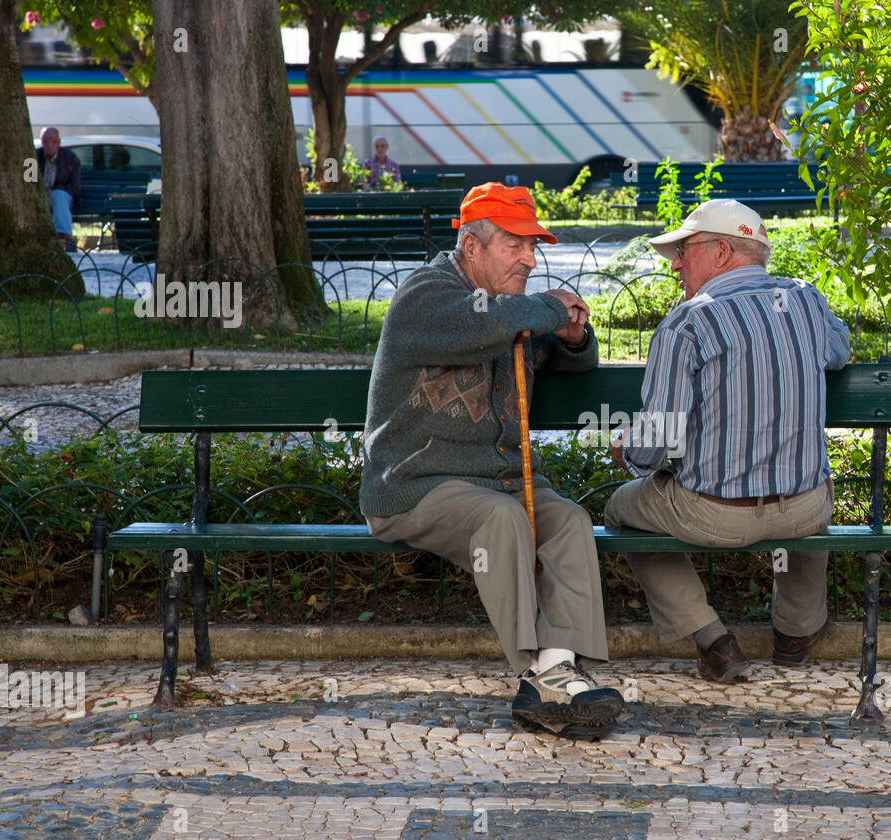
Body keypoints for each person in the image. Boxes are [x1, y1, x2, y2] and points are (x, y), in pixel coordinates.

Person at [361, 182, 625, 737]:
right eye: (515, 245)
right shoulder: (426, 295)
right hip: (415, 484)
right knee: (501, 519)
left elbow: (571, 358)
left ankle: (557, 667)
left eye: (534, 246)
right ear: (473, 245)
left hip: (498, 480)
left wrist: (574, 336)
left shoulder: (513, 309)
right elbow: (483, 323)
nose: (530, 258)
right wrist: (549, 307)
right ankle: (534, 674)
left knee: (571, 521)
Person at [603, 199, 853, 682]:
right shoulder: (804, 300)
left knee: (619, 511)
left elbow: (660, 440)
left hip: (713, 516)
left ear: (720, 252)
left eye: (683, 250)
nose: (674, 263)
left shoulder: (687, 323)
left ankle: (713, 640)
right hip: (804, 510)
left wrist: (626, 450)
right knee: (810, 492)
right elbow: (840, 351)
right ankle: (796, 635)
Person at [35, 127, 80, 251]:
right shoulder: (32, 158)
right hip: (39, 198)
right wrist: (41, 191)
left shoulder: (70, 158)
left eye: (53, 142)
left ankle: (64, 236)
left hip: (64, 197)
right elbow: (28, 184)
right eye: (46, 141)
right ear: (41, 141)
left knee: (58, 195)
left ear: (59, 142)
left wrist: (53, 189)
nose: (49, 145)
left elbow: (75, 187)